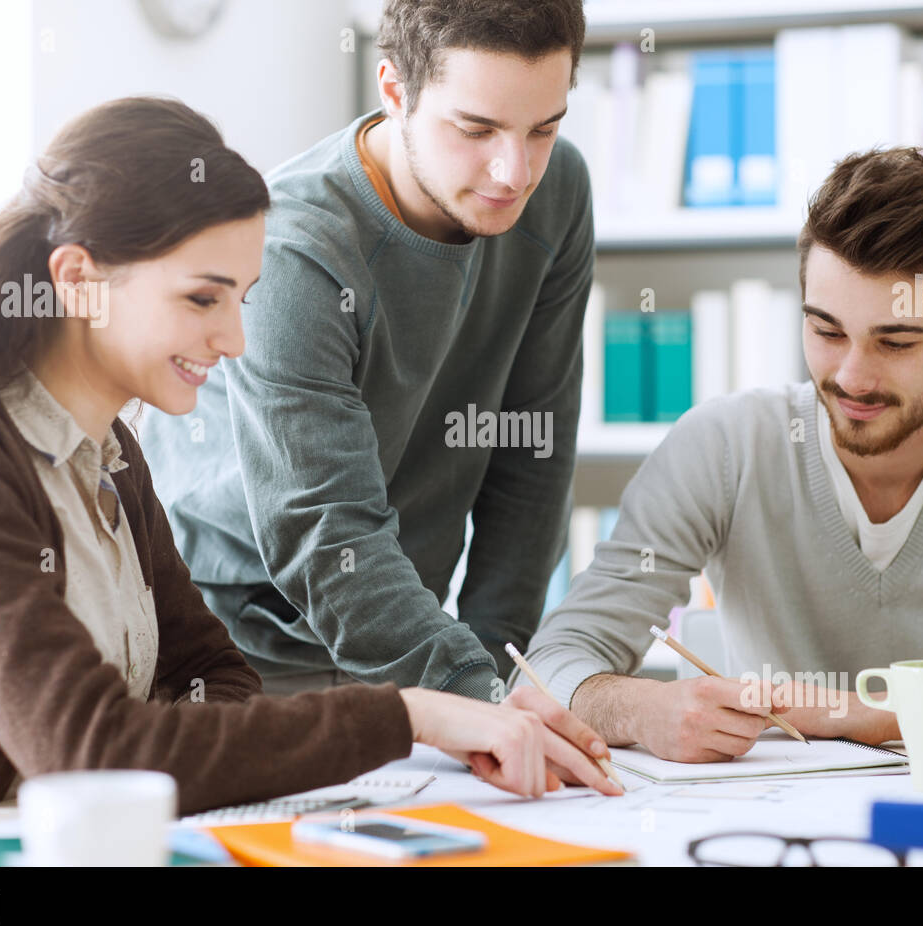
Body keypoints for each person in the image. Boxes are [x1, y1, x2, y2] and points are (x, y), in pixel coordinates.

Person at [0, 96, 619, 831]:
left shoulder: (114, 453)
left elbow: (218, 677)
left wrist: (161, 744)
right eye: (201, 300)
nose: (234, 342)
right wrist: (409, 712)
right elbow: (89, 749)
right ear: (79, 282)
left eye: (241, 300)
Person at [519, 147, 923, 760]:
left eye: (895, 342)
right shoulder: (723, 447)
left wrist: (882, 719)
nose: (852, 377)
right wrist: (644, 708)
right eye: (826, 330)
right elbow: (547, 667)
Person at [140, 0, 594, 700]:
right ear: (394, 90)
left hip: (403, 620)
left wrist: (501, 678)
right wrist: (473, 697)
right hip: (231, 641)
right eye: (476, 129)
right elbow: (323, 529)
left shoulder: (557, 192)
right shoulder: (295, 249)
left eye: (544, 128)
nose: (514, 172)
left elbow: (532, 456)